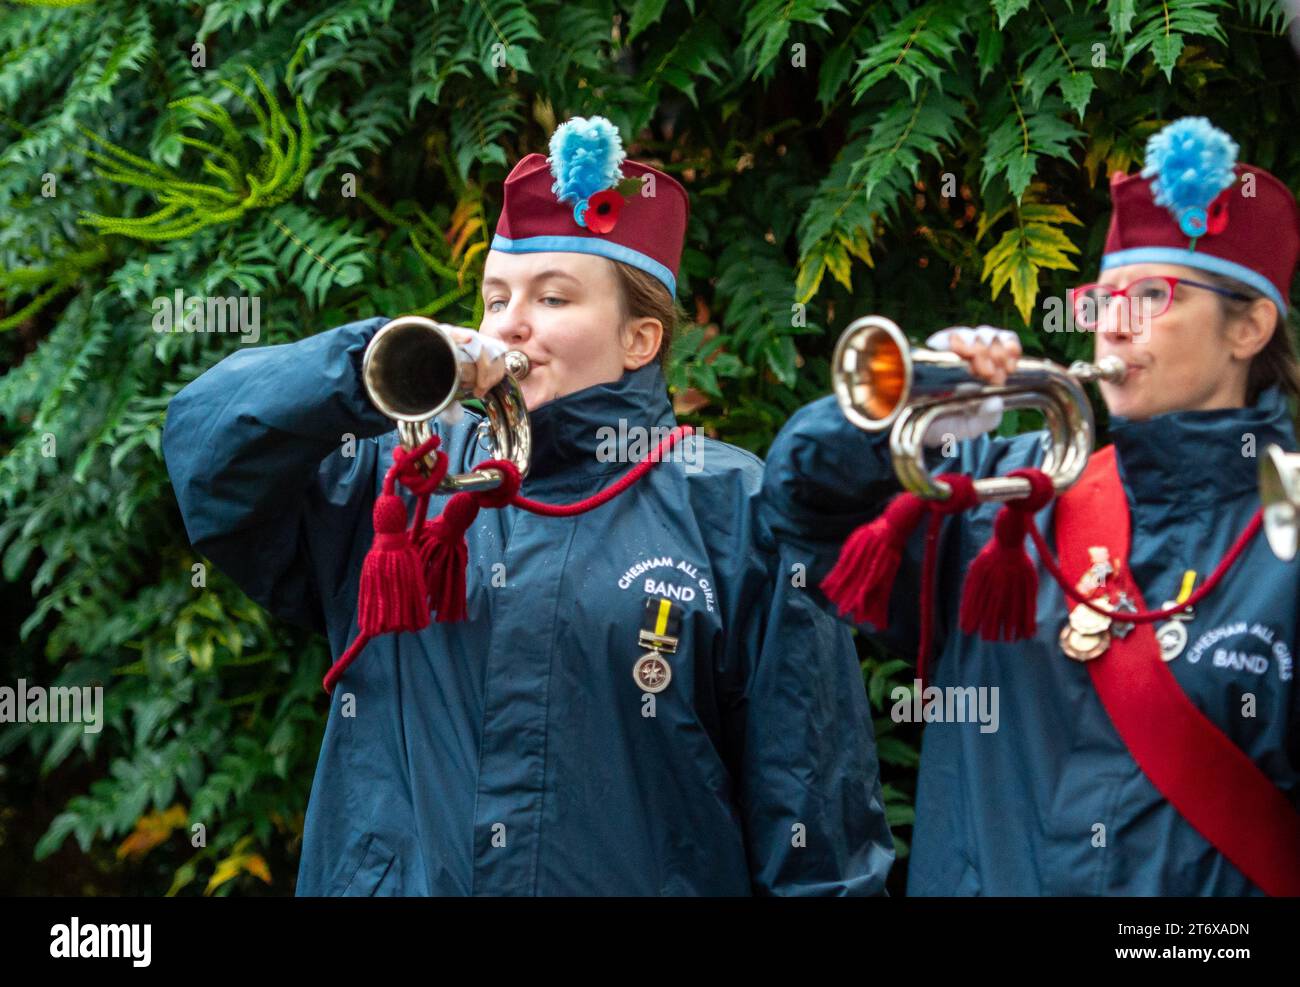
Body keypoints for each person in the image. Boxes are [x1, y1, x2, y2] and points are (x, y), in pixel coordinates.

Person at [163, 115, 894, 896]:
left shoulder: (739, 508)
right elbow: (210, 452)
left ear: (640, 338)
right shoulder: (403, 482)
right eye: (494, 296)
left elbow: (818, 830)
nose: (508, 323)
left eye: (552, 297)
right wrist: (371, 363)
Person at [761, 117, 1300, 896]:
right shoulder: (1000, 490)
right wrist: (908, 416)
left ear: (1249, 325)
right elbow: (802, 510)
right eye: (1103, 297)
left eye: (1152, 295)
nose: (1113, 322)